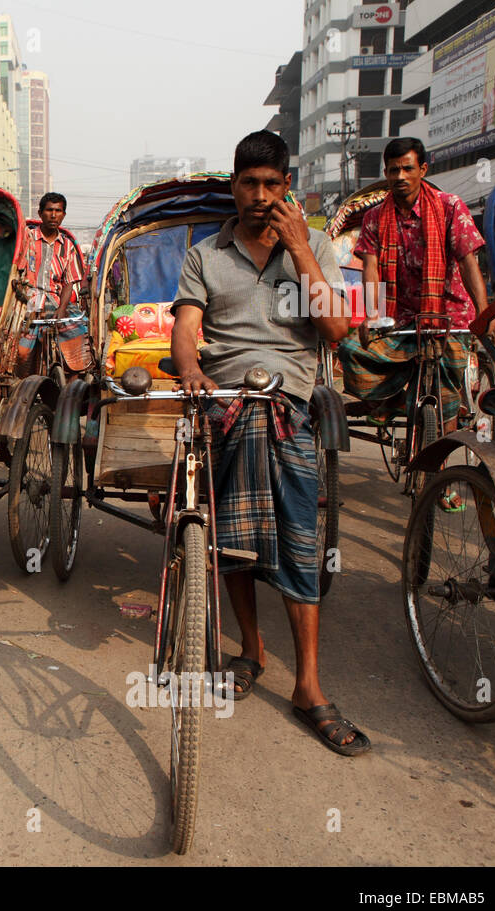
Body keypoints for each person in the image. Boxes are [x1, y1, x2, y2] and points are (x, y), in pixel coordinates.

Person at [171, 130, 369, 756]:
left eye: (271, 185)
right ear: (233, 186)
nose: (259, 196)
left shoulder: (312, 248)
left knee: (299, 540)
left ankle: (308, 684)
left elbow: (336, 326)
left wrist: (300, 251)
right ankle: (250, 649)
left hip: (288, 405)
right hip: (224, 405)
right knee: (228, 512)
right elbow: (185, 330)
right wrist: (193, 371)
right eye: (248, 184)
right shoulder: (206, 255)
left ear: (288, 189)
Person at [338, 138, 494, 429]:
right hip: (402, 320)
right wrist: (371, 315)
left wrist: (484, 313)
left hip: (449, 318)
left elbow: (468, 263)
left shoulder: (450, 207)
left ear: (422, 169)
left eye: (407, 169)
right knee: (351, 350)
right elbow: (370, 268)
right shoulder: (375, 217)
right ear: (386, 173)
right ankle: (393, 394)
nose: (400, 177)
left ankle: (439, 459)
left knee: (443, 403)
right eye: (393, 170)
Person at [17, 192, 87, 371]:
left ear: (63, 214)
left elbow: (69, 282)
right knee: (21, 353)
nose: (53, 215)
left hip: (55, 301)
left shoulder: (68, 246)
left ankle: (73, 383)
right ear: (40, 213)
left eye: (58, 211)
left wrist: (62, 308)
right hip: (27, 301)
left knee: (79, 338)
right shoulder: (27, 238)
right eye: (49, 210)